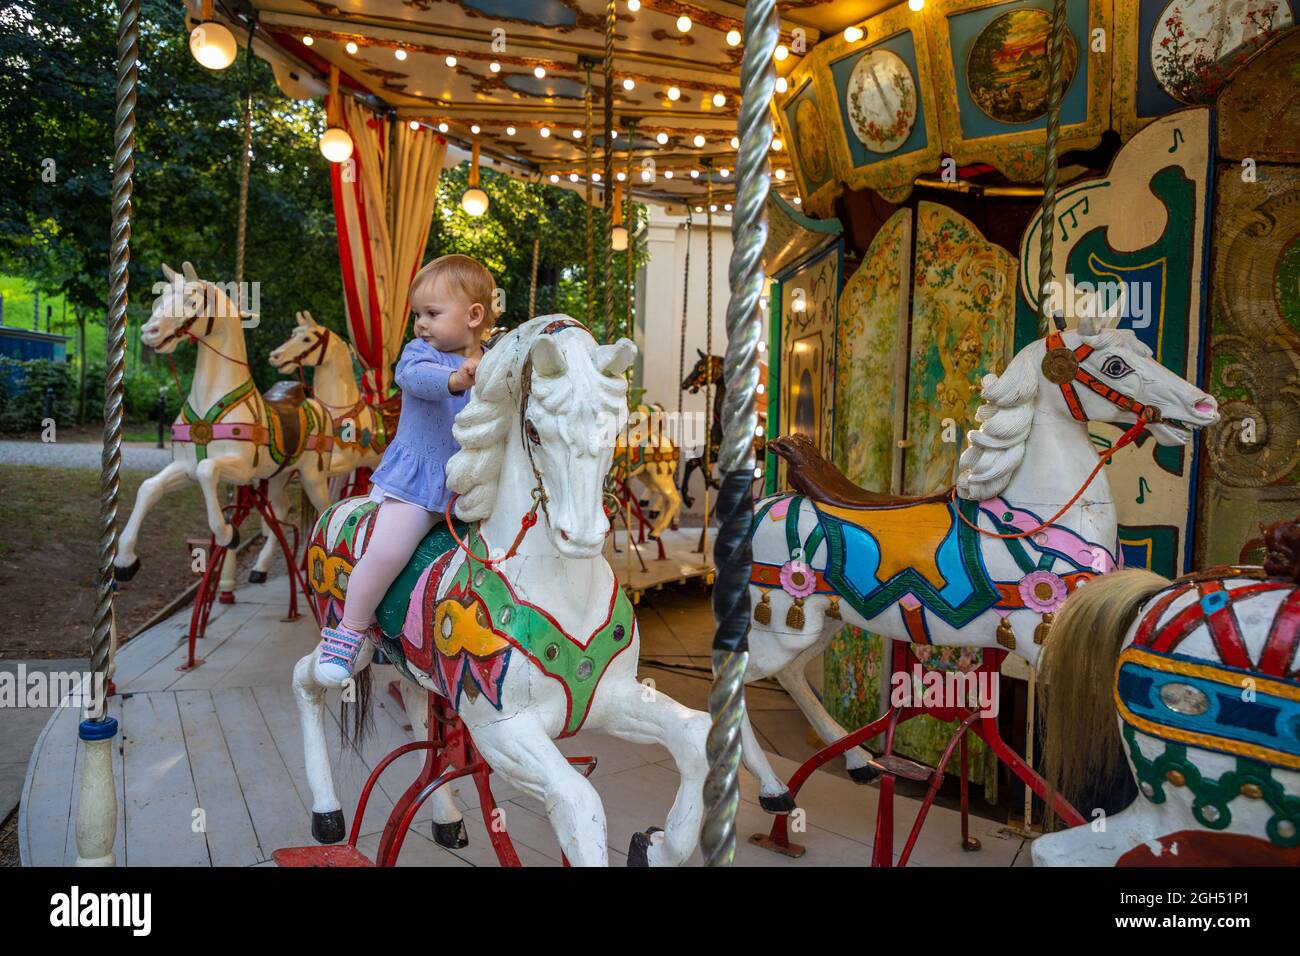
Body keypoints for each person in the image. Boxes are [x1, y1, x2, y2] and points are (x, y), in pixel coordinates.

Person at [315, 254, 493, 684]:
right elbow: (415, 379)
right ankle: (350, 630)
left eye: (432, 313)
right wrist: (458, 380)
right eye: (417, 315)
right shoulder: (420, 354)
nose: (421, 324)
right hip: (419, 484)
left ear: (474, 316)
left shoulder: (495, 360)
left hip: (474, 485)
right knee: (389, 551)